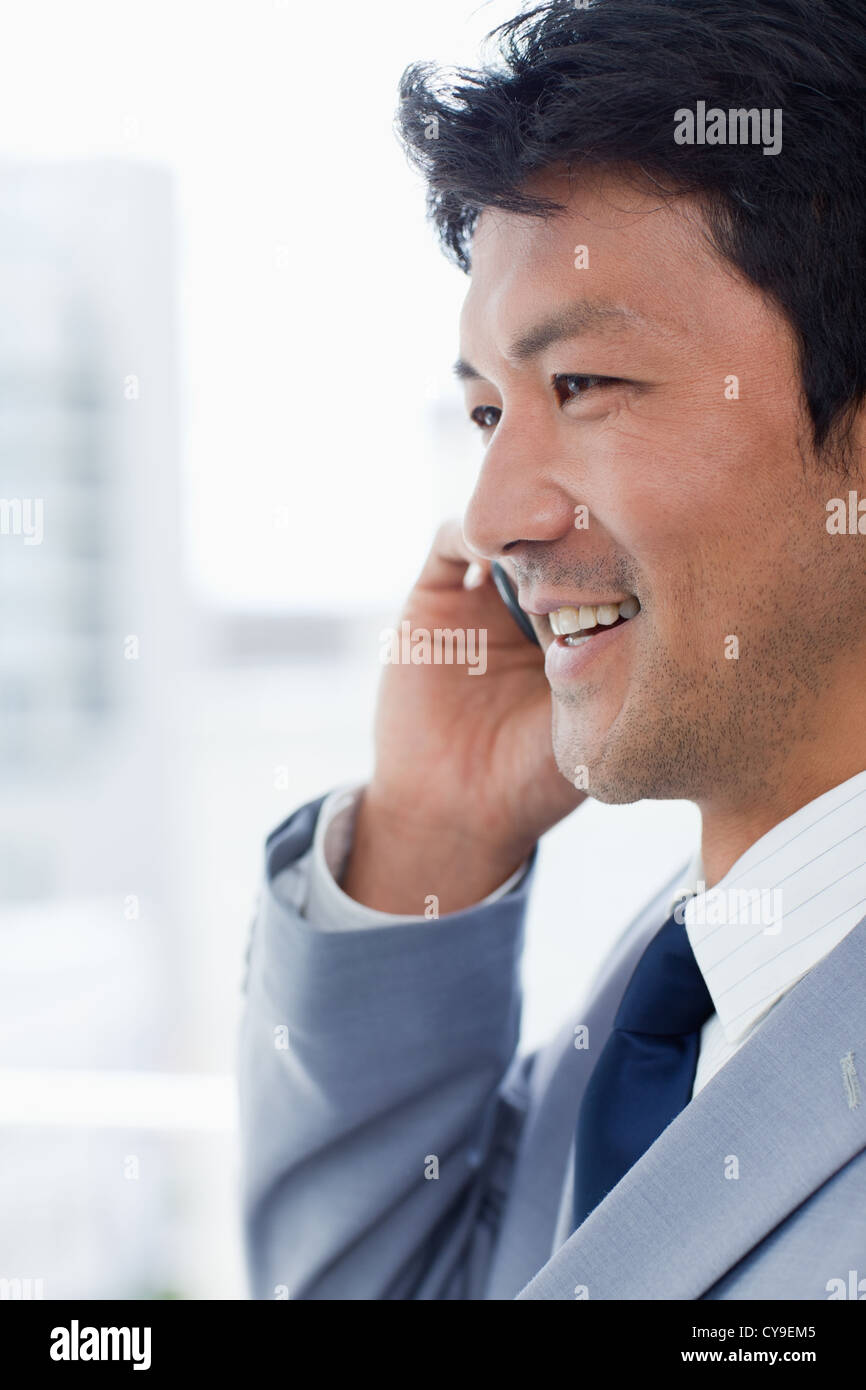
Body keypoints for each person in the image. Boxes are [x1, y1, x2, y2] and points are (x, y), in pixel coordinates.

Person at [238, 0, 866, 1300]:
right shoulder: (663, 997)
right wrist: (429, 830)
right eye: (483, 410)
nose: (491, 514)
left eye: (581, 384)